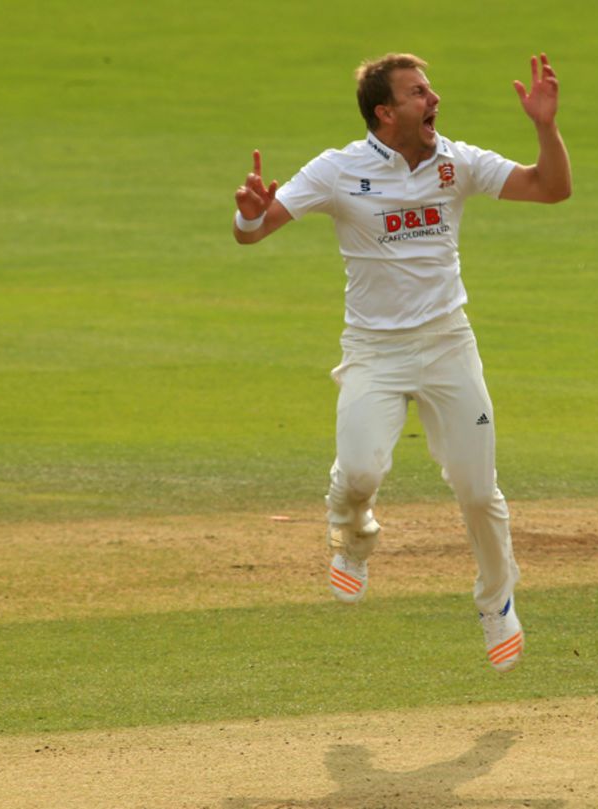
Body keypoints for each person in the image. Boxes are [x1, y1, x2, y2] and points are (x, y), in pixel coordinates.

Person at [233, 52, 571, 672]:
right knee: (359, 472)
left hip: (448, 345)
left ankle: (496, 602)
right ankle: (353, 534)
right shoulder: (338, 171)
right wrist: (249, 212)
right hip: (374, 352)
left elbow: (551, 189)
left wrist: (545, 128)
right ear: (386, 113)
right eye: (418, 93)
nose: (433, 99)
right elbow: (254, 232)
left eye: (430, 89)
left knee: (477, 491)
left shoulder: (456, 162)